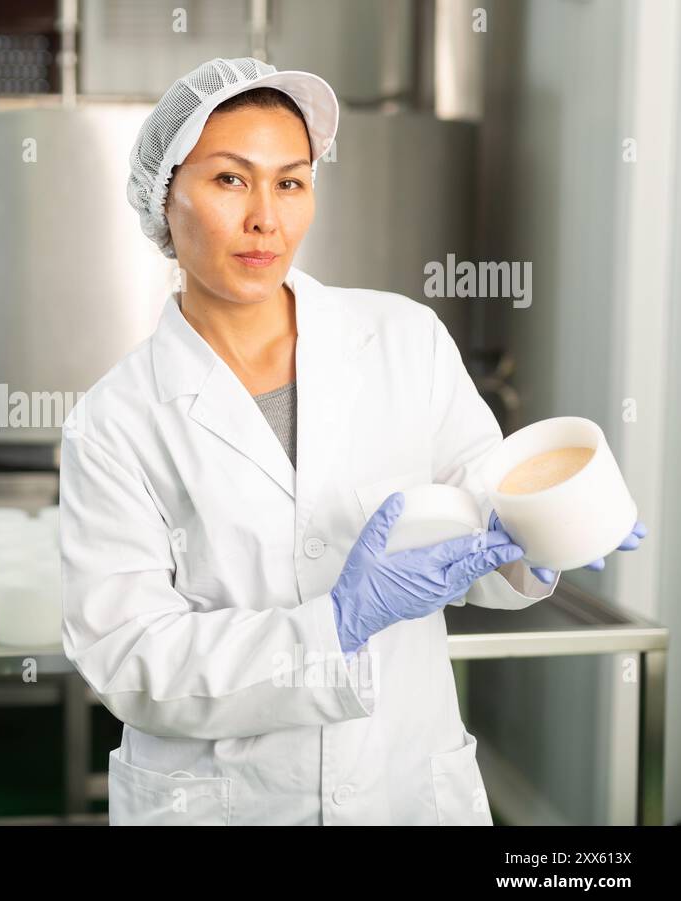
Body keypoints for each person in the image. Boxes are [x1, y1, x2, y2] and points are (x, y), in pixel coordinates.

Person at [58, 57, 647, 826]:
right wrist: (334, 625)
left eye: (292, 181)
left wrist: (532, 539)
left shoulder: (403, 339)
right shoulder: (115, 422)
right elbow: (130, 660)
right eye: (231, 180)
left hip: (406, 787)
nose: (266, 216)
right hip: (228, 805)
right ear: (165, 197)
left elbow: (477, 521)